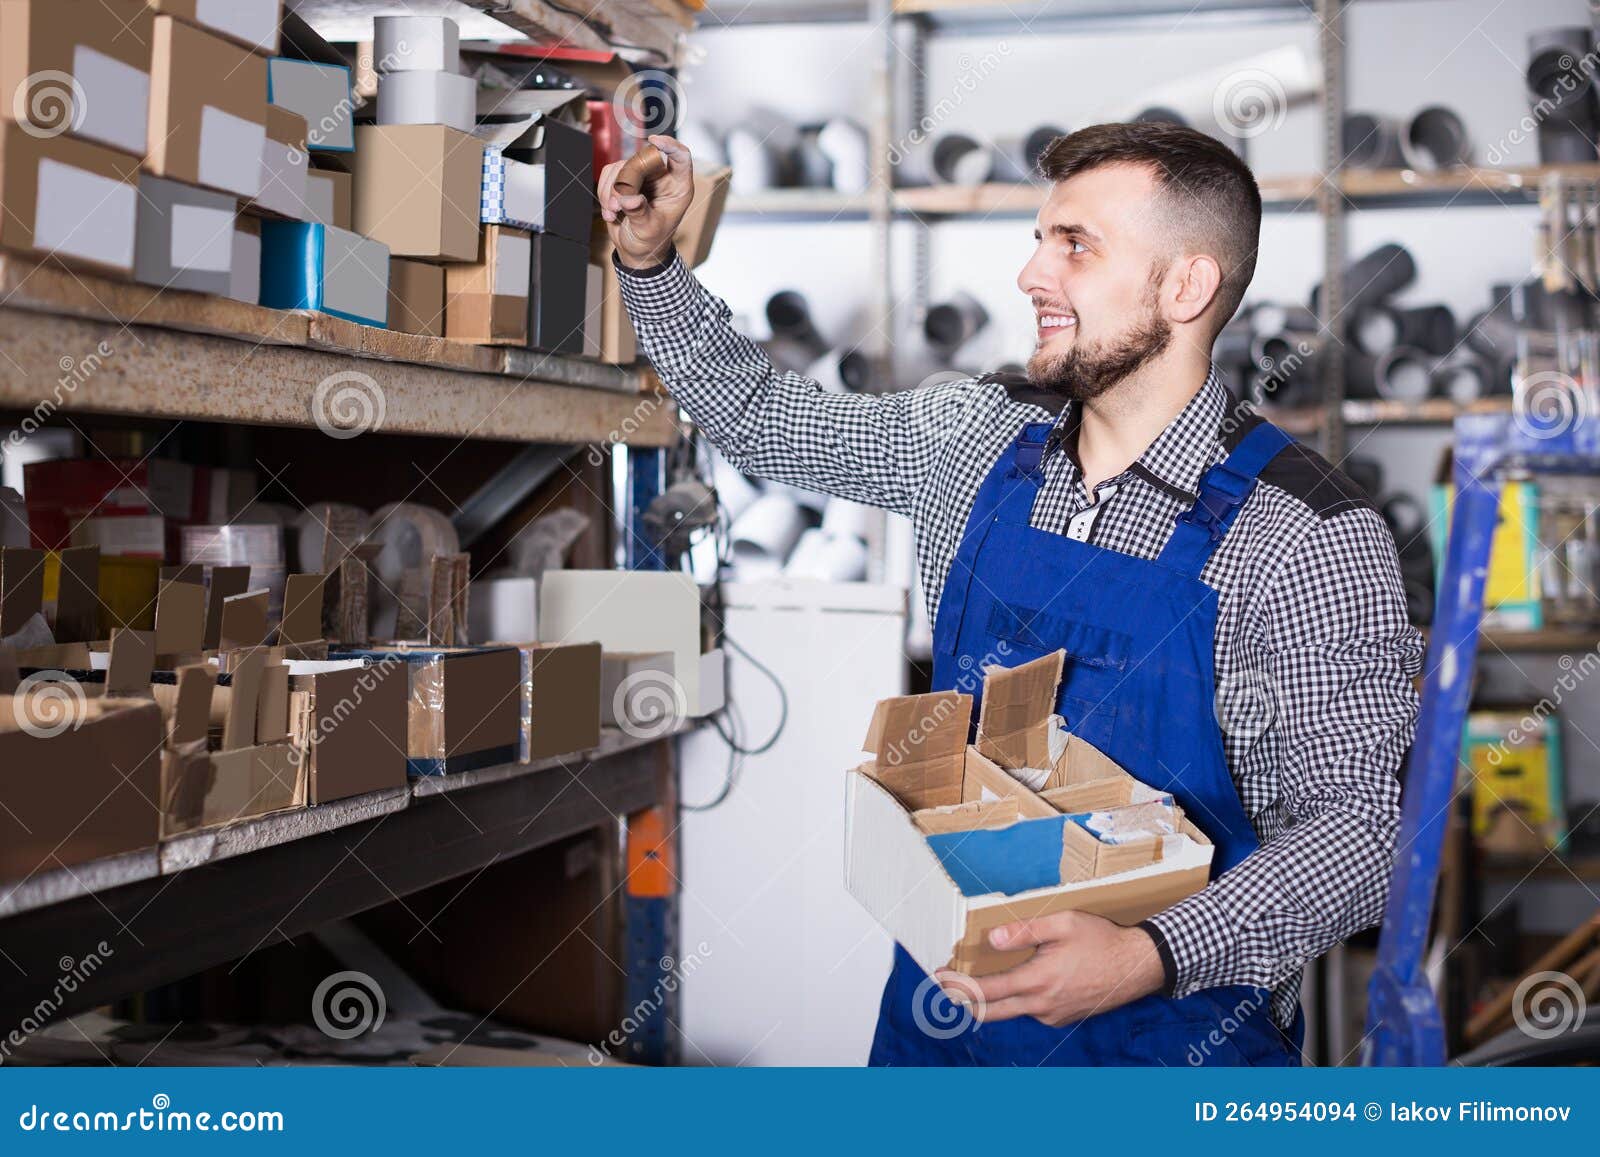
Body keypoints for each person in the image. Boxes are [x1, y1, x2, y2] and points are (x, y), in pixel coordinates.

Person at [598, 121, 1423, 1067]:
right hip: (950, 1023)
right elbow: (764, 419)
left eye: (1074, 245)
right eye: (1039, 240)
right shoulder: (975, 438)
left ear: (1186, 286)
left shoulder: (1306, 536)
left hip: (1170, 1046)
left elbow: (1364, 832)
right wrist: (652, 264)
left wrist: (1150, 953)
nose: (1032, 275)